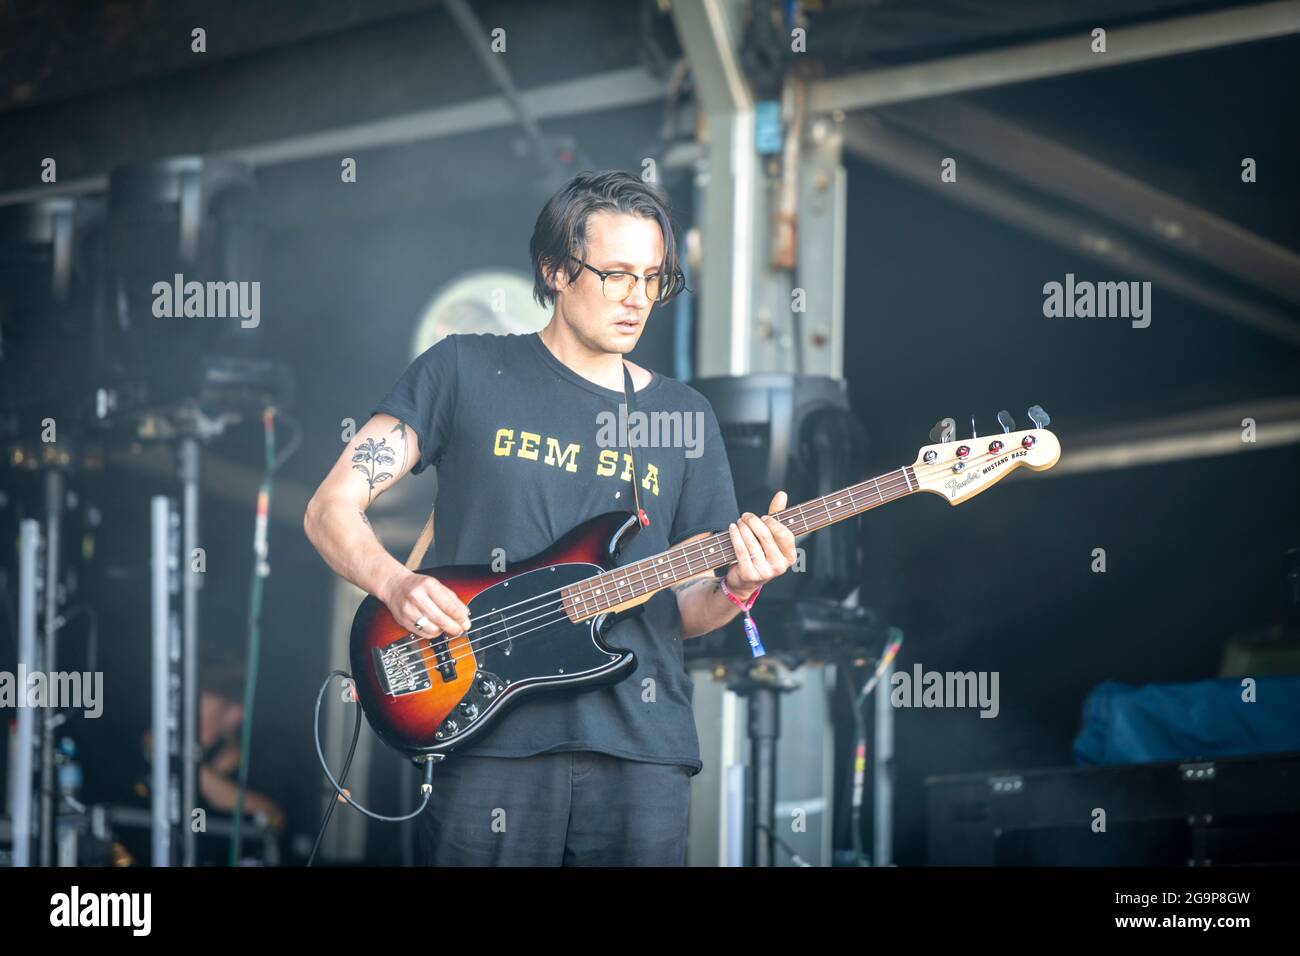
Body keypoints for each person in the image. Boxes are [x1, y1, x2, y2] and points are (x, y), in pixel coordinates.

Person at [303, 170, 797, 865]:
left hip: (641, 749)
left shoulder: (682, 417)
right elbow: (331, 506)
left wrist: (741, 587)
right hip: (486, 735)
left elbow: (683, 609)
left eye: (653, 278)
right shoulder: (464, 370)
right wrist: (395, 584)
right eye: (616, 274)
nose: (638, 299)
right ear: (556, 269)